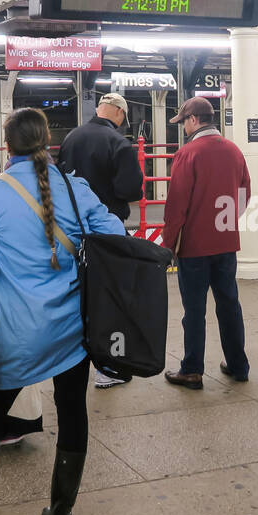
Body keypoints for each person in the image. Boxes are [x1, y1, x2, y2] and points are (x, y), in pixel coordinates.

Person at [0, 108, 125, 515]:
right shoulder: (75, 188)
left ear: (6, 147)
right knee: (72, 413)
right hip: (70, 333)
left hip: (14, 335)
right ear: (48, 142)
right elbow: (116, 235)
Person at [161, 97, 252, 389]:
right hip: (226, 242)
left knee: (195, 310)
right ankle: (238, 365)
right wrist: (224, 221)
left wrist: (168, 244)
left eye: (183, 123)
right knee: (230, 305)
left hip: (194, 247)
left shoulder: (188, 154)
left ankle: (192, 369)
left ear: (193, 120)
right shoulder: (234, 151)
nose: (183, 128)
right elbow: (243, 195)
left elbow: (176, 206)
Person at [56, 92, 146, 389]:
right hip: (107, 231)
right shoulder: (118, 142)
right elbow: (132, 190)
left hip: (70, 231)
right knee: (109, 298)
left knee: (77, 294)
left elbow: (59, 179)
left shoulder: (71, 137)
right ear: (119, 113)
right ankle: (107, 368)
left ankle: (70, 360)